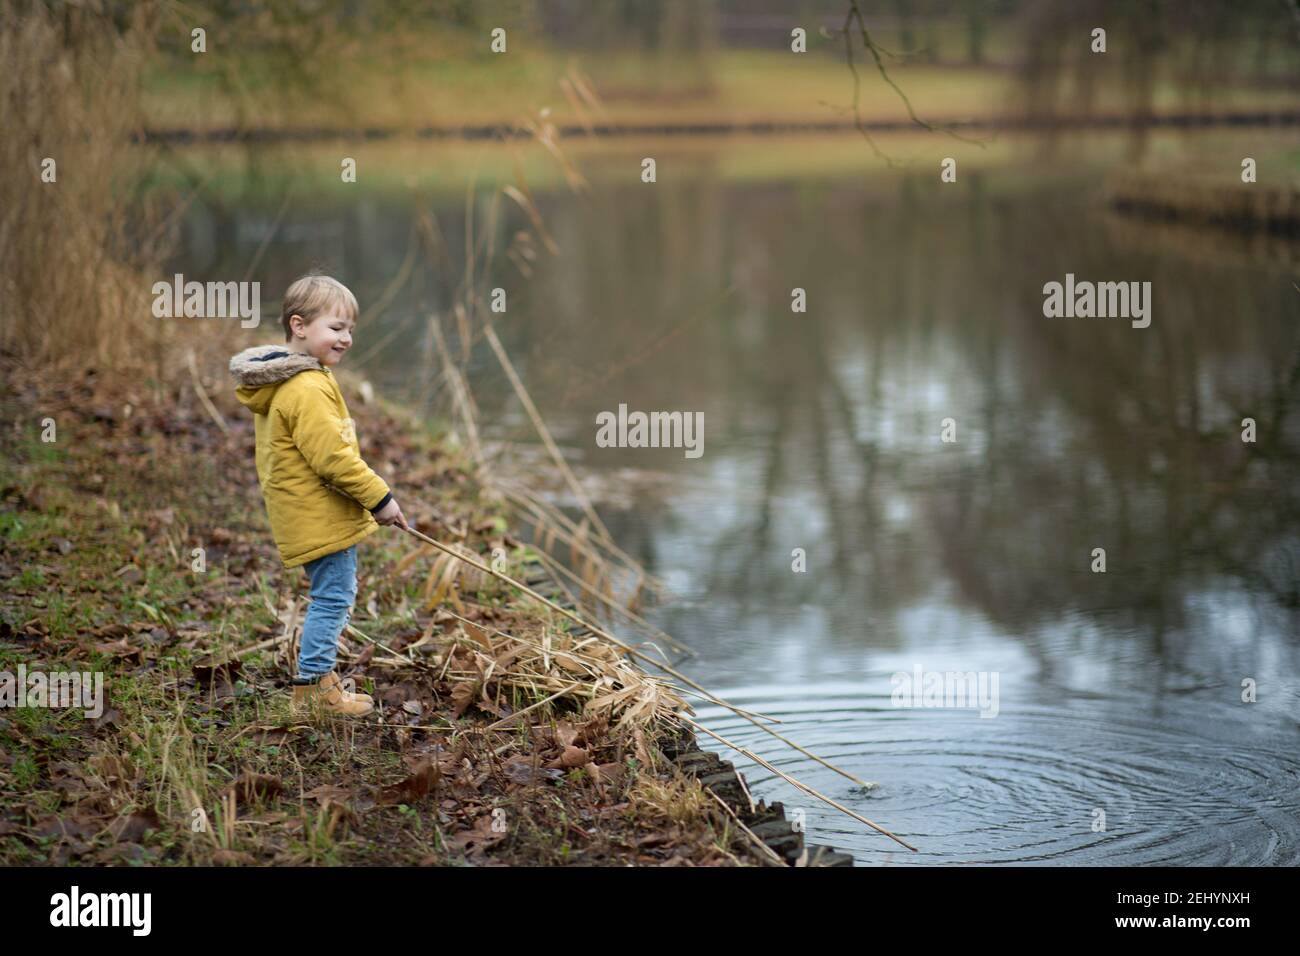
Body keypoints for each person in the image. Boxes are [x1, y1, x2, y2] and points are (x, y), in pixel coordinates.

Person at [229, 273, 407, 716]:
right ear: (299, 326)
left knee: (332, 592)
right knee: (334, 597)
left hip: (307, 510)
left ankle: (320, 680)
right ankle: (313, 691)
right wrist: (381, 499)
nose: (346, 338)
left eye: (350, 330)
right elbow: (333, 459)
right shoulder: (305, 387)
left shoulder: (299, 377)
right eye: (336, 328)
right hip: (317, 514)